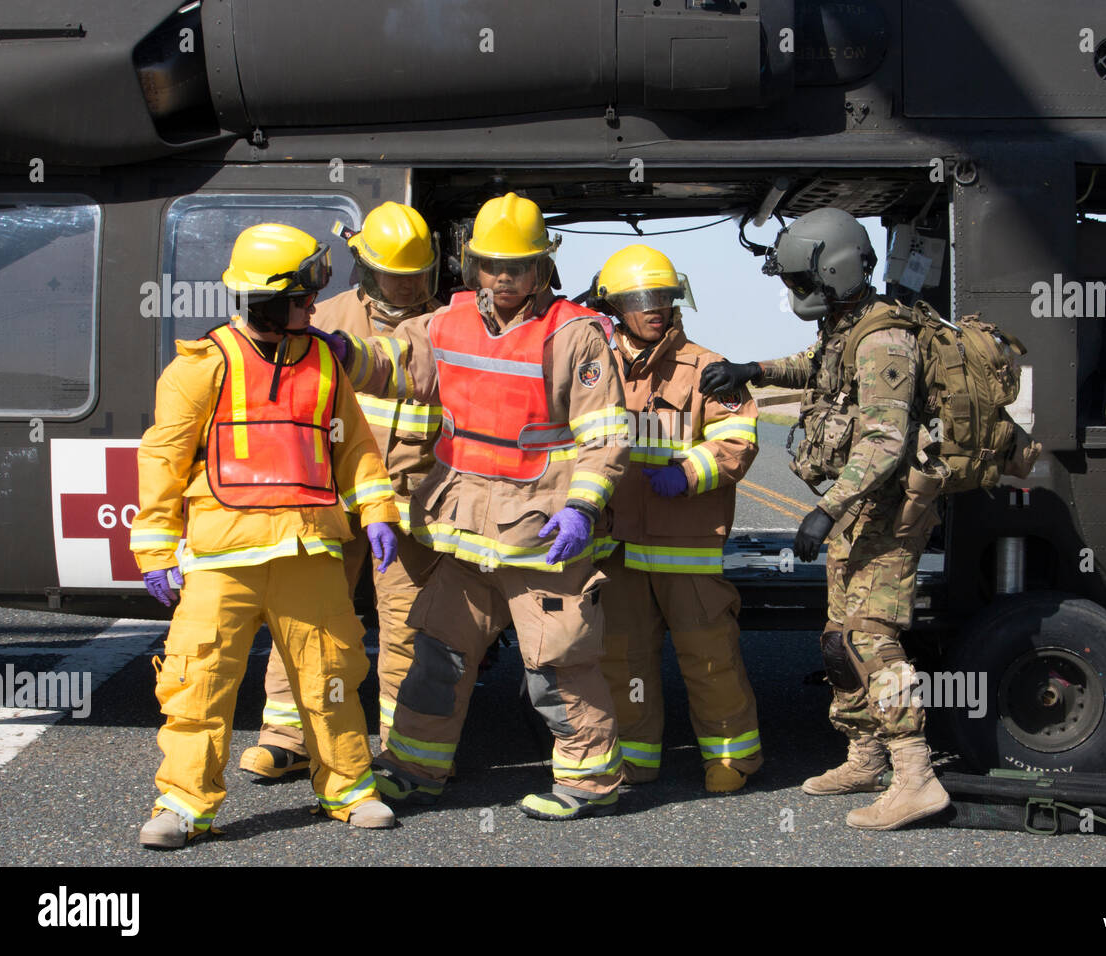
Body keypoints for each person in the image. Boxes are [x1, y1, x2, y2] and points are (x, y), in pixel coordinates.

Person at [315, 192, 630, 820]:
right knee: (436, 655)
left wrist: (582, 509)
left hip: (543, 536)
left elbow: (606, 437)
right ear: (471, 264)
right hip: (464, 532)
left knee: (557, 665)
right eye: (492, 265)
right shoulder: (444, 323)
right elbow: (395, 365)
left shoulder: (575, 336)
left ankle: (591, 781)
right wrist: (344, 353)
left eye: (519, 266)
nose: (505, 278)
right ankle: (413, 768)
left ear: (544, 266)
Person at [130, 223, 400, 847]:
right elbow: (162, 460)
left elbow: (355, 448)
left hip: (307, 549)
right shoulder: (202, 366)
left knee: (331, 674)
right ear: (271, 300)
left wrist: (379, 511)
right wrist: (153, 548)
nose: (314, 308)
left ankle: (350, 788)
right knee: (199, 679)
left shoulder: (327, 360)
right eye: (304, 298)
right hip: (223, 557)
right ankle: (183, 805)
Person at [700, 208, 950, 830]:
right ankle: (864, 756)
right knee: (840, 640)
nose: (797, 293)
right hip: (855, 515)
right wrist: (752, 370)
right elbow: (814, 365)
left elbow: (886, 441)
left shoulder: (883, 339)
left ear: (833, 270)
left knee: (872, 637)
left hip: (885, 514)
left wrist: (824, 508)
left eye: (802, 282)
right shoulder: (848, 326)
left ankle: (916, 774)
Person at [239, 202, 445, 779]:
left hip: (410, 506)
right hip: (329, 502)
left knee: (409, 629)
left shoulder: (446, 329)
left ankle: (402, 748)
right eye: (394, 278)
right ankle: (287, 737)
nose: (406, 290)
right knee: (307, 622)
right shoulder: (318, 319)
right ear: (365, 270)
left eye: (417, 278)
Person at [588, 244, 763, 792]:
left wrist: (688, 473)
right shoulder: (595, 364)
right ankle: (637, 758)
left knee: (709, 659)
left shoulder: (708, 368)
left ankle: (734, 759)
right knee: (625, 660)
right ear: (615, 305)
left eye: (662, 295)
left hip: (684, 543)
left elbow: (739, 440)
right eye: (641, 298)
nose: (655, 307)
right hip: (616, 544)